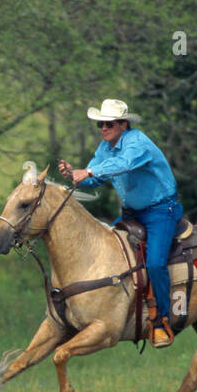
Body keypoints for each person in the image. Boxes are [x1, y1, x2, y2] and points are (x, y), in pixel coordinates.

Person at [58, 99, 182, 348]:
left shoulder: (138, 144)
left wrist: (89, 172)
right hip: (132, 213)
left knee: (156, 263)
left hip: (161, 212)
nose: (103, 128)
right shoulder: (106, 147)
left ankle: (162, 321)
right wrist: (76, 175)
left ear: (123, 124)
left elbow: (122, 165)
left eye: (108, 124)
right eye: (100, 125)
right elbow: (94, 179)